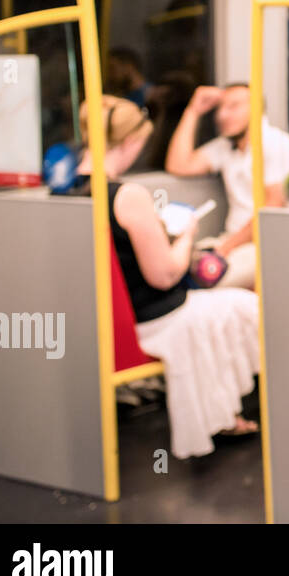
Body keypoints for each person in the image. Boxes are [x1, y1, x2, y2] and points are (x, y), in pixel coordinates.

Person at [67, 95, 260, 459]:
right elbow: (165, 275)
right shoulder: (128, 196)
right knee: (249, 307)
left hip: (109, 319)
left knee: (226, 307)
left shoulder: (67, 192)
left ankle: (223, 413)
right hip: (158, 318)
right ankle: (229, 412)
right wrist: (186, 232)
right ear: (127, 143)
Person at [164, 82, 289, 289]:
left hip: (269, 246)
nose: (222, 115)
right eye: (220, 108)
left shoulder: (275, 143)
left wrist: (224, 249)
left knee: (202, 282)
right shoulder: (226, 146)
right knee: (174, 269)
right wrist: (193, 110)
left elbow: (272, 211)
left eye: (233, 106)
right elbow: (179, 164)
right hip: (233, 243)